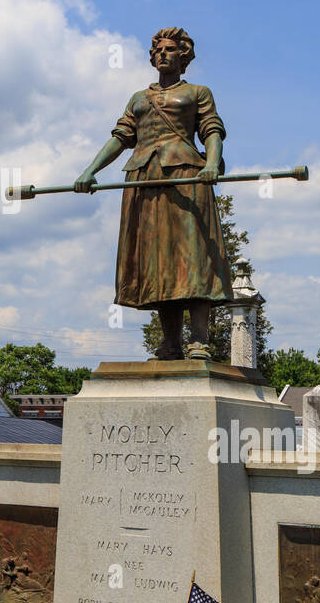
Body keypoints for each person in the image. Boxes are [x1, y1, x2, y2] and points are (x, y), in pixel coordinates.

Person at [74, 26, 232, 360]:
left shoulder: (197, 92)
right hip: (143, 180)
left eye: (170, 49)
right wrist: (90, 171)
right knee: (158, 262)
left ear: (183, 56)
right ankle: (171, 342)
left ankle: (199, 339)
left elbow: (212, 131)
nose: (162, 54)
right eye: (158, 50)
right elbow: (120, 138)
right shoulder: (138, 99)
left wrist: (212, 164)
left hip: (186, 178)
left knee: (192, 257)